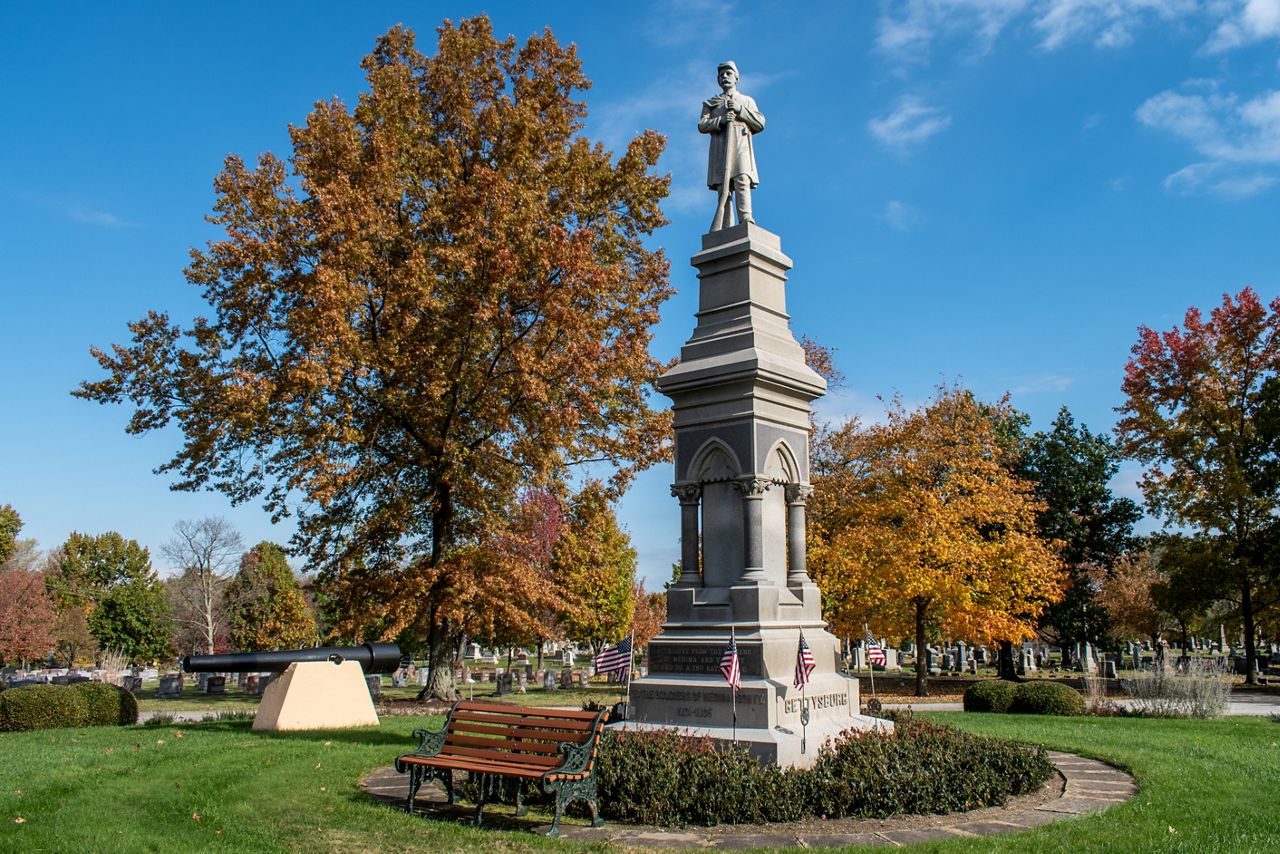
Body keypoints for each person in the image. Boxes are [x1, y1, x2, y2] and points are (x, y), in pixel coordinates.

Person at [699, 60, 765, 231]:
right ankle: (725, 225)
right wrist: (720, 120)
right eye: (721, 74)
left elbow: (760, 122)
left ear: (737, 78)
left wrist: (740, 110)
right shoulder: (711, 103)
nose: (725, 76)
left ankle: (746, 218)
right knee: (724, 188)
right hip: (721, 146)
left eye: (728, 73)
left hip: (740, 142)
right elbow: (702, 125)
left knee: (742, 179)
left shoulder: (746, 100)